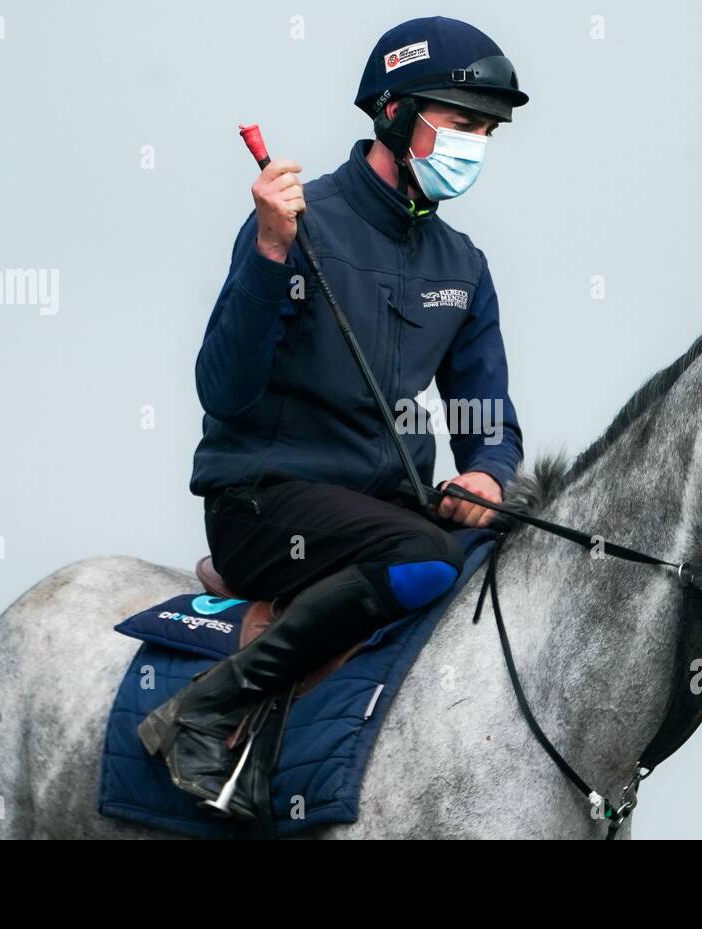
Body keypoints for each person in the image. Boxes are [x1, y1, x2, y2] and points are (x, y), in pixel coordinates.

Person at [138, 16, 528, 819]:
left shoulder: (465, 267)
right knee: (426, 558)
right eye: (461, 125)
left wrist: (488, 469)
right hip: (263, 501)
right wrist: (270, 253)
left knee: (501, 552)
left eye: (488, 131)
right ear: (394, 113)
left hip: (377, 513)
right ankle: (204, 712)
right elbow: (224, 389)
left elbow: (485, 407)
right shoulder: (295, 222)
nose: (477, 146)